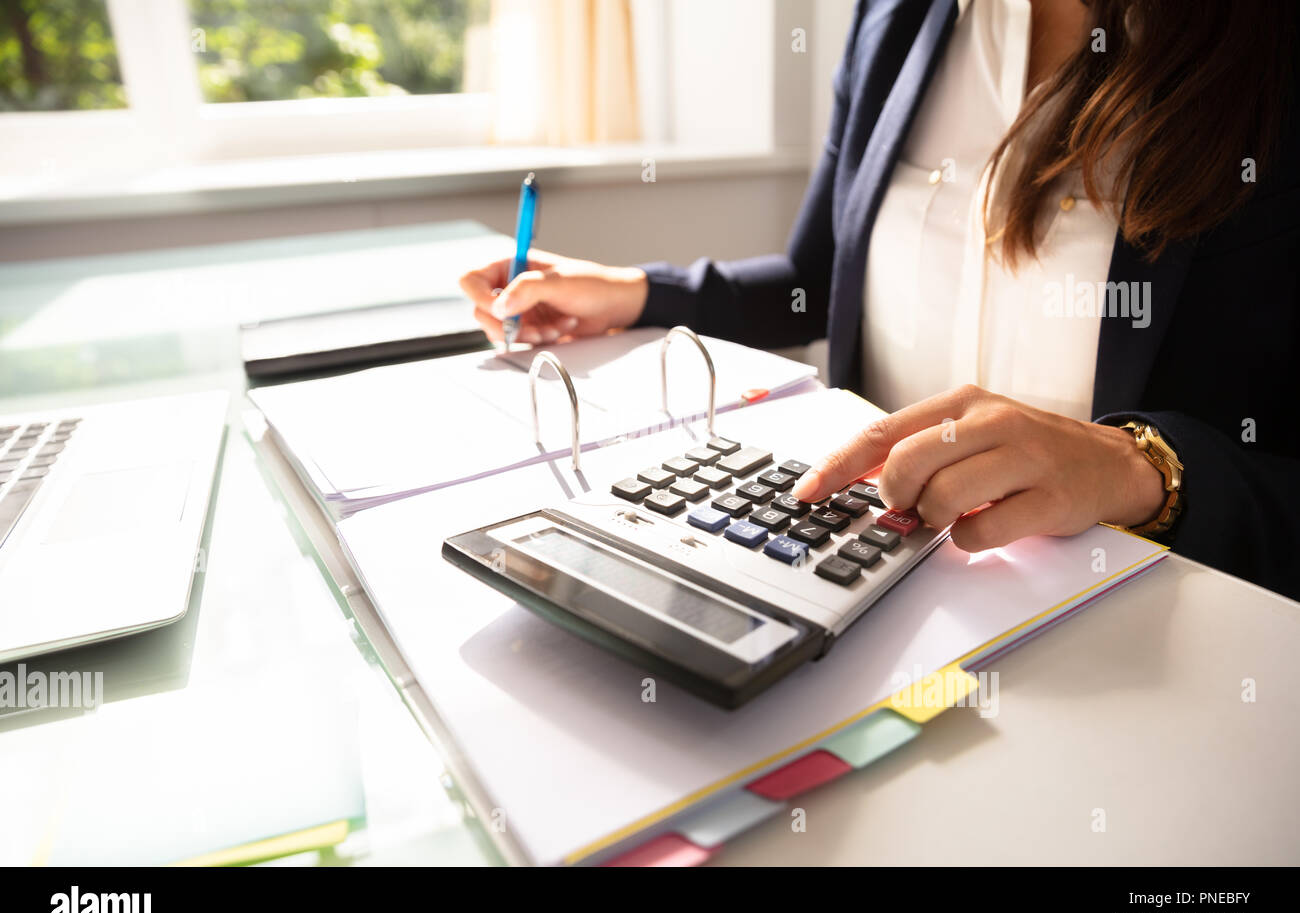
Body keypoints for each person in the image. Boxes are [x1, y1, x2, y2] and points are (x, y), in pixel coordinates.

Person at [460, 0, 1300, 600]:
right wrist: (636, 292)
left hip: (1149, 626)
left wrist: (1143, 471)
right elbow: (823, 280)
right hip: (881, 590)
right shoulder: (897, 18)